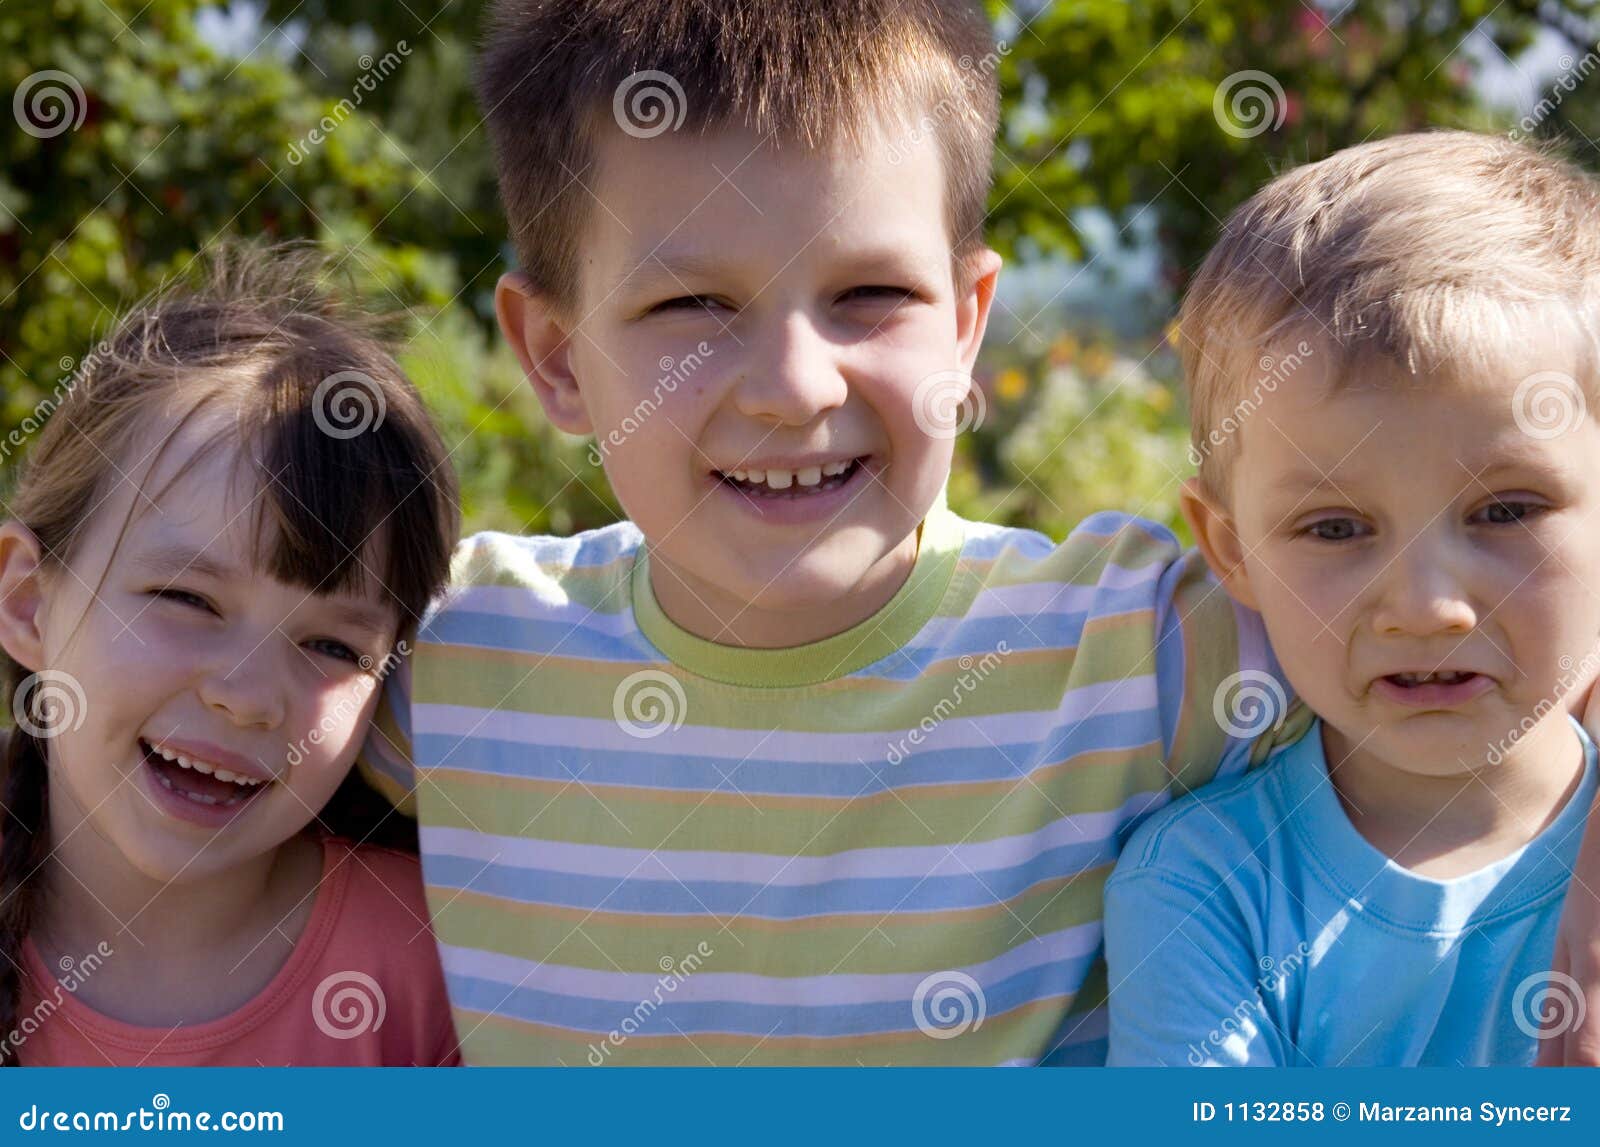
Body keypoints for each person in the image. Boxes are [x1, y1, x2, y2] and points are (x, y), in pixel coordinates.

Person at [360, 1, 1600, 1065]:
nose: (794, 384)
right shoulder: (446, 656)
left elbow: (1506, 606)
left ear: (967, 321)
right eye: (693, 305)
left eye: (870, 295)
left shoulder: (1150, 651)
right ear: (557, 356)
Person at [1105, 130, 1600, 1066]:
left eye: (1505, 509)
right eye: (1335, 527)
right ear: (1230, 548)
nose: (1424, 606)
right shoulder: (1204, 892)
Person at [0, 246, 462, 1066]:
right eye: (188, 598)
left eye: (331, 644)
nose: (247, 696)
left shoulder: (435, 975)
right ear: (27, 601)